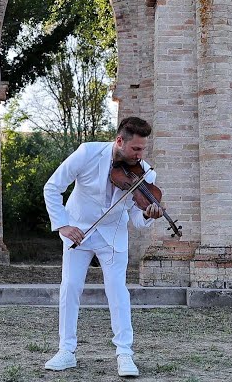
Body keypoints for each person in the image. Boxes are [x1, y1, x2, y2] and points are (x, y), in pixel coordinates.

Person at [42, 117, 163, 378]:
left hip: (113, 234)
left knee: (117, 291)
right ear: (120, 141)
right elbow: (52, 187)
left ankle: (125, 354)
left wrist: (147, 215)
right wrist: (62, 225)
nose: (141, 156)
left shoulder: (145, 173)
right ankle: (66, 351)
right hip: (78, 231)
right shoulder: (87, 152)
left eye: (143, 149)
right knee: (70, 287)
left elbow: (136, 219)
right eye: (136, 149)